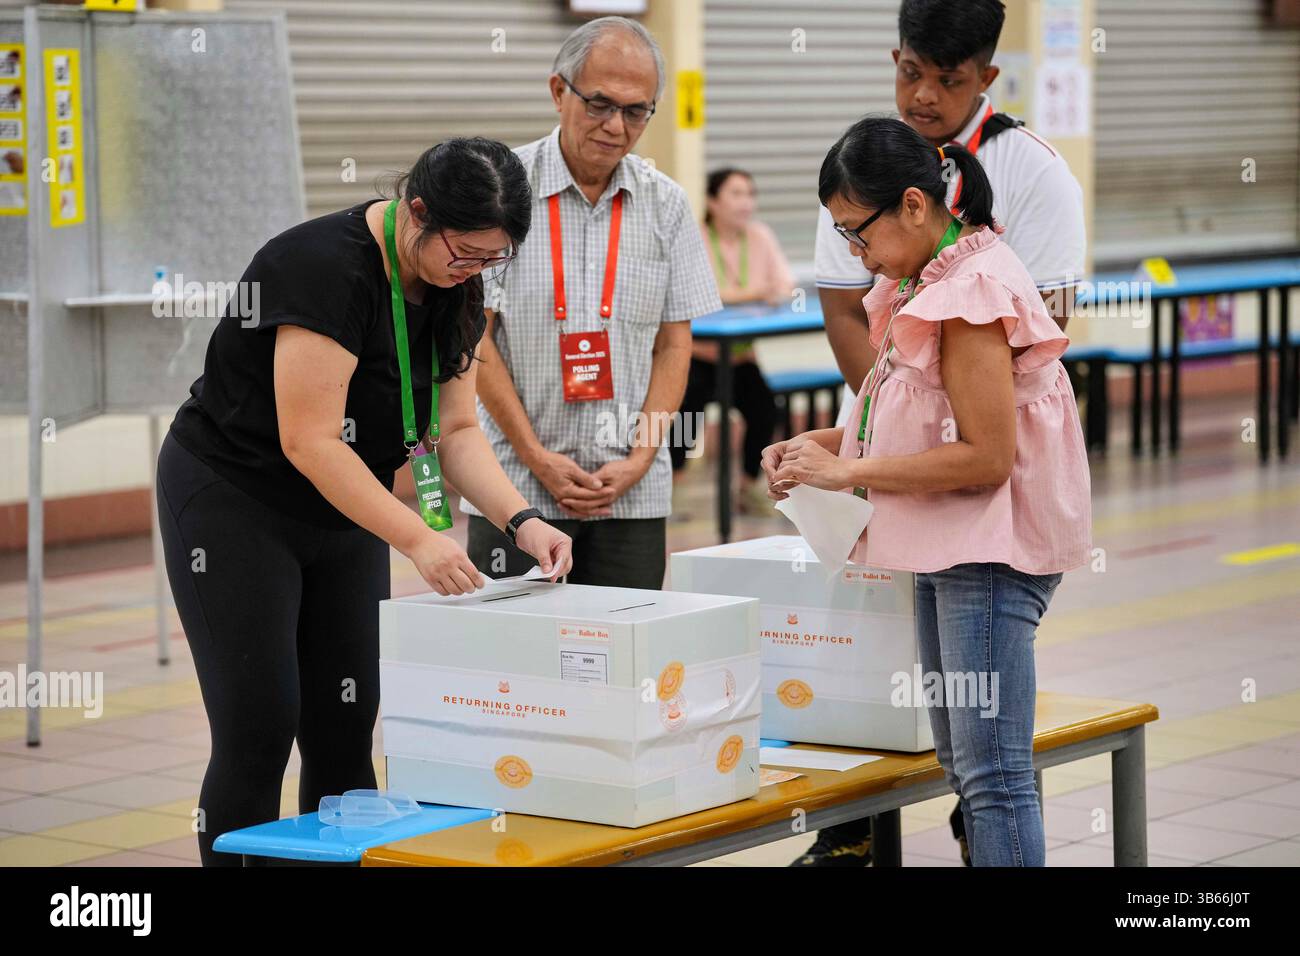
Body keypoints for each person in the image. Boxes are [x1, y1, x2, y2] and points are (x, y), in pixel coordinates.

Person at [157, 139, 573, 866]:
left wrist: (522, 517)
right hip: (236, 495)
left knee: (346, 724)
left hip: (347, 501)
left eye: (492, 258)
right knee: (259, 726)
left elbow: (458, 428)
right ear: (417, 214)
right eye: (465, 252)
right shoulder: (322, 267)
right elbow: (310, 441)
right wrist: (417, 538)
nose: (472, 271)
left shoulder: (459, 285)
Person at [802, 0, 1087, 868]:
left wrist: (853, 476)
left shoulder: (969, 294)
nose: (854, 254)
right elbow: (906, 405)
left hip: (988, 549)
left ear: (917, 205)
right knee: (966, 759)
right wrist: (832, 452)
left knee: (995, 774)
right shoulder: (925, 274)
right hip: (940, 537)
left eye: (861, 232)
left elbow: (987, 455)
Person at [465, 16, 721, 588]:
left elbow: (675, 343)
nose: (616, 126)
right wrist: (535, 457)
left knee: (625, 660)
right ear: (560, 91)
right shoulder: (501, 190)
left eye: (636, 111)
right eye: (600, 104)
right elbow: (474, 337)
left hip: (628, 492)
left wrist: (639, 459)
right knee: (510, 662)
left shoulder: (667, 205)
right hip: (514, 486)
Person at [669, 168, 793, 514]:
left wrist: (753, 294)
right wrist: (754, 293)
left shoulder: (760, 236)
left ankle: (747, 487)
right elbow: (698, 295)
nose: (746, 203)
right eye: (736, 194)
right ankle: (673, 486)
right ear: (712, 200)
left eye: (750, 194)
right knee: (685, 413)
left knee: (766, 409)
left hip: (740, 356)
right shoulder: (694, 237)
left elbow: (784, 285)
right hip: (697, 354)